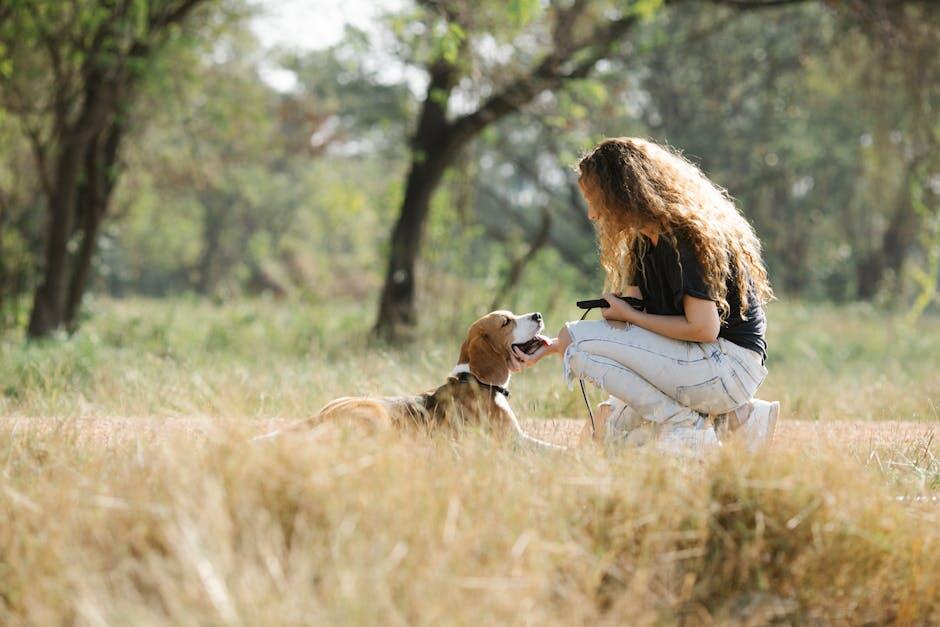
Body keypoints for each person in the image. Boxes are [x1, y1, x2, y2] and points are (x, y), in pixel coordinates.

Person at [512, 137, 779, 452]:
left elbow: (704, 328)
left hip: (728, 366)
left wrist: (626, 317)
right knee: (606, 424)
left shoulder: (687, 239)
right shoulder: (644, 242)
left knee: (576, 339)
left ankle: (691, 428)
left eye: (596, 200)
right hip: (700, 362)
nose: (592, 215)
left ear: (624, 193)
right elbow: (633, 329)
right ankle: (738, 421)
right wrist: (554, 346)